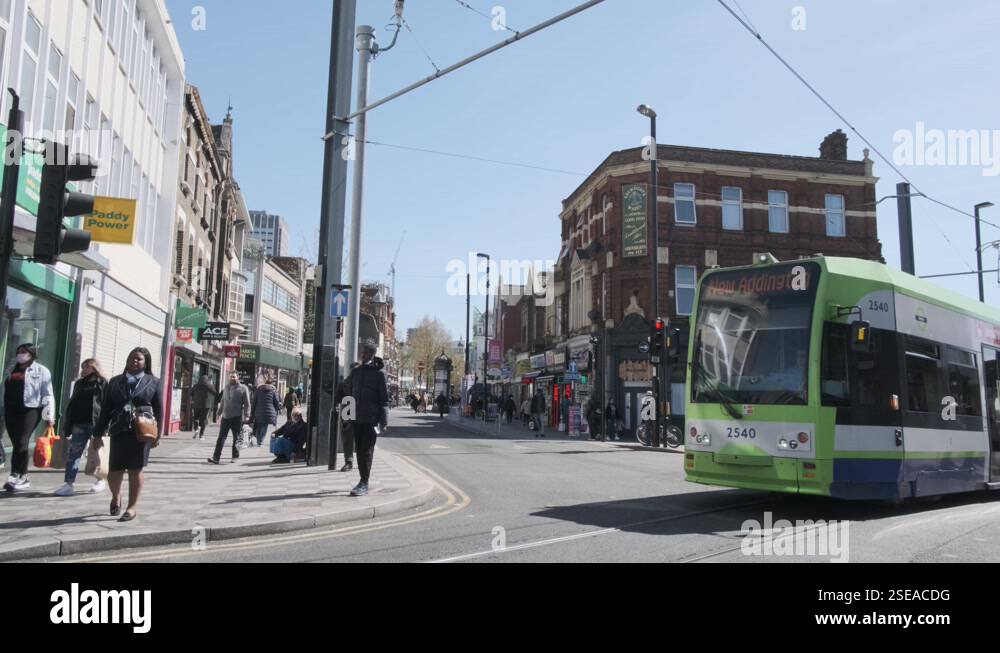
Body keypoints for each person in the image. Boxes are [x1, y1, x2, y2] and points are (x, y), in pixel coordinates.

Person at [94, 347, 163, 521]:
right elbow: (105, 410)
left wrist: (158, 435)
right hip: (118, 430)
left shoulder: (153, 382)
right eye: (131, 357)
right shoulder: (115, 382)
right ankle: (116, 496)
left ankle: (132, 507)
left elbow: (159, 411)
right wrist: (97, 434)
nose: (134, 361)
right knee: (114, 470)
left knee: (135, 469)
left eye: (139, 359)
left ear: (145, 363)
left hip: (142, 433)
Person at [3, 344, 55, 492]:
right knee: (16, 443)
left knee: (22, 441)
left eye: (24, 352)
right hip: (11, 410)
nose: (20, 355)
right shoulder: (11, 368)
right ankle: (22, 475)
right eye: (18, 352)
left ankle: (16, 474)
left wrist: (49, 415)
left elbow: (48, 393)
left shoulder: (41, 370)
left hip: (31, 409)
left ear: (31, 354)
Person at [55, 359, 108, 496]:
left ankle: (100, 479)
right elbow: (73, 404)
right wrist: (68, 424)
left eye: (86, 367)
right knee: (74, 454)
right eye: (82, 367)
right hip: (79, 424)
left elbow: (107, 405)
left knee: (97, 453)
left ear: (94, 368)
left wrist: (105, 425)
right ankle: (69, 483)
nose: (83, 370)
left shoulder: (102, 383)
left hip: (96, 424)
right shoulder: (79, 383)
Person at [348, 343, 388, 497]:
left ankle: (364, 482)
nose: (362, 354)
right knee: (359, 450)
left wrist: (383, 422)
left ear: (372, 354)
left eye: (364, 352)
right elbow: (350, 395)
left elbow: (384, 400)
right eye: (361, 352)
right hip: (357, 418)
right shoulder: (356, 371)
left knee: (366, 451)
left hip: (371, 419)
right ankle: (362, 480)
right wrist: (348, 417)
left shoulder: (379, 373)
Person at [207, 372, 251, 464]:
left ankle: (235, 456)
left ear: (238, 377)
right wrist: (218, 412)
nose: (232, 378)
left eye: (234, 377)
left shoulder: (243, 388)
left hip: (237, 417)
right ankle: (216, 458)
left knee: (236, 438)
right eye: (231, 377)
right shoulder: (226, 387)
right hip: (225, 417)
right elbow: (223, 401)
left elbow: (247, 403)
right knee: (221, 438)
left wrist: (247, 415)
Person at [335, 366, 359, 472]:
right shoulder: (343, 384)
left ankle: (363, 461)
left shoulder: (365, 384)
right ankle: (348, 461)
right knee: (347, 439)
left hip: (361, 413)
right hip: (348, 412)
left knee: (362, 439)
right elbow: (337, 399)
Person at [251, 374, 281, 447]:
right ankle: (260, 441)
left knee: (259, 425)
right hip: (268, 413)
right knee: (264, 427)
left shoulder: (258, 390)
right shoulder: (273, 391)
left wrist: (252, 411)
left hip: (258, 412)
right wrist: (278, 408)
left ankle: (258, 438)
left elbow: (254, 401)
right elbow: (276, 402)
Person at [190, 374, 217, 440]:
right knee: (203, 420)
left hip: (196, 404)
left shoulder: (196, 385)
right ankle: (201, 435)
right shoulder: (209, 386)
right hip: (206, 406)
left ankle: (196, 428)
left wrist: (193, 399)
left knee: (196, 417)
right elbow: (215, 393)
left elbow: (191, 393)